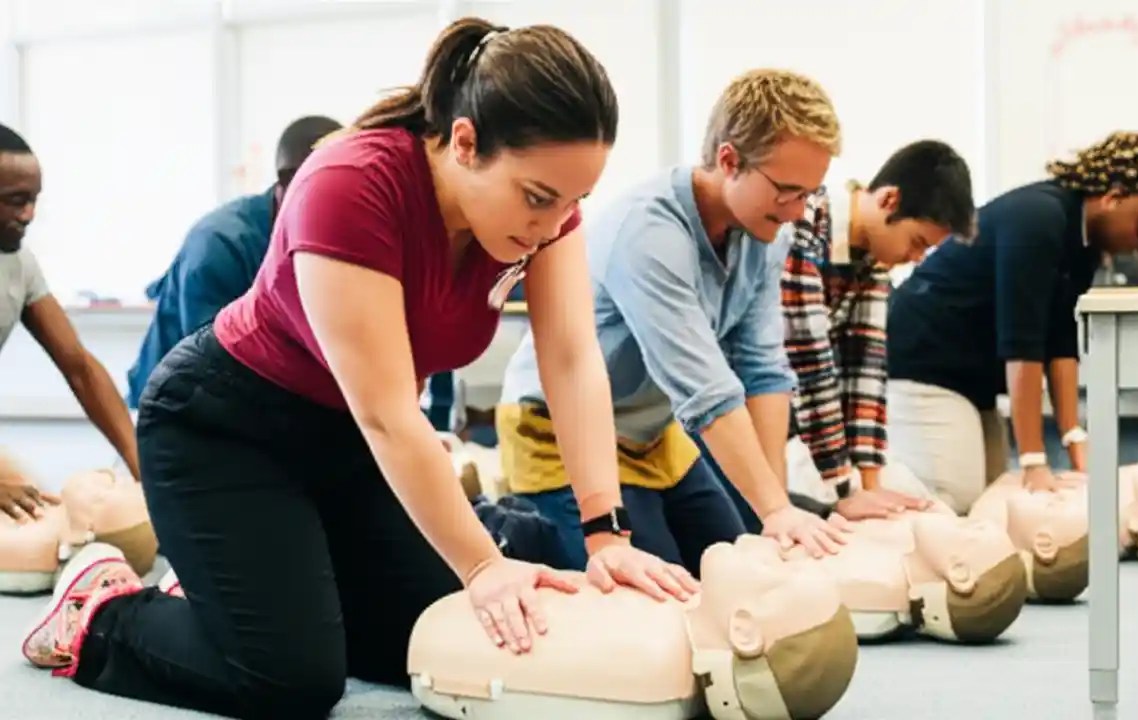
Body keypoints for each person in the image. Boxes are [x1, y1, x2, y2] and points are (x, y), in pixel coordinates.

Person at [21, 18, 695, 719]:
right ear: (464, 142)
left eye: (575, 200)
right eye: (538, 197)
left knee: (435, 641)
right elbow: (385, 412)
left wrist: (606, 535)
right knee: (291, 682)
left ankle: (234, 588)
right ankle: (101, 612)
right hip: (225, 429)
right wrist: (485, 565)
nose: (556, 223)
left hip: (345, 443)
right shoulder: (351, 184)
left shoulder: (546, 219)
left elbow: (570, 357)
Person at [497, 68, 849, 574]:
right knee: (666, 597)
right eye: (788, 191)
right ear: (729, 160)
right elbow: (705, 390)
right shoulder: (650, 232)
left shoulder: (768, 229)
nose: (797, 211)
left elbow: (763, 369)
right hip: (557, 433)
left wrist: (776, 512)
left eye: (809, 195)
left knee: (746, 563)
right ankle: (516, 526)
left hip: (656, 436)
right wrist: (772, 508)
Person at [885, 131, 1138, 513]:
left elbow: (1060, 343)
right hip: (922, 364)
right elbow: (1022, 345)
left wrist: (1074, 438)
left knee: (990, 494)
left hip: (972, 380)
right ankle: (831, 489)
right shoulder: (1039, 218)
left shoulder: (1083, 241)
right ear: (1114, 197)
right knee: (958, 497)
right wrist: (1033, 460)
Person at [783, 140, 976, 521]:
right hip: (737, 403)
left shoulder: (872, 260)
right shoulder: (804, 226)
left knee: (897, 498)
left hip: (791, 401)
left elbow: (865, 370)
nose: (917, 258)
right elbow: (809, 366)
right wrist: (844, 488)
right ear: (890, 200)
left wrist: (871, 484)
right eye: (918, 242)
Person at [125, 115, 342, 408]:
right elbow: (217, 370)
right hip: (176, 414)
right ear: (290, 181)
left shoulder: (329, 237)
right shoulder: (219, 245)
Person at [0, 123, 140, 497]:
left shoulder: (20, 265)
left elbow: (79, 367)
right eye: (16, 200)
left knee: (41, 511)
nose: (29, 214)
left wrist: (141, 462)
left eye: (34, 199)